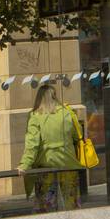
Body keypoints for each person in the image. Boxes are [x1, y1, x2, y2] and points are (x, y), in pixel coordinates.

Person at [18, 84, 82, 212]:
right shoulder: (67, 113)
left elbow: (32, 144)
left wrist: (24, 165)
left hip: (46, 165)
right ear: (54, 96)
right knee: (71, 203)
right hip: (68, 163)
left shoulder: (35, 116)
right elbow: (77, 134)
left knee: (46, 206)